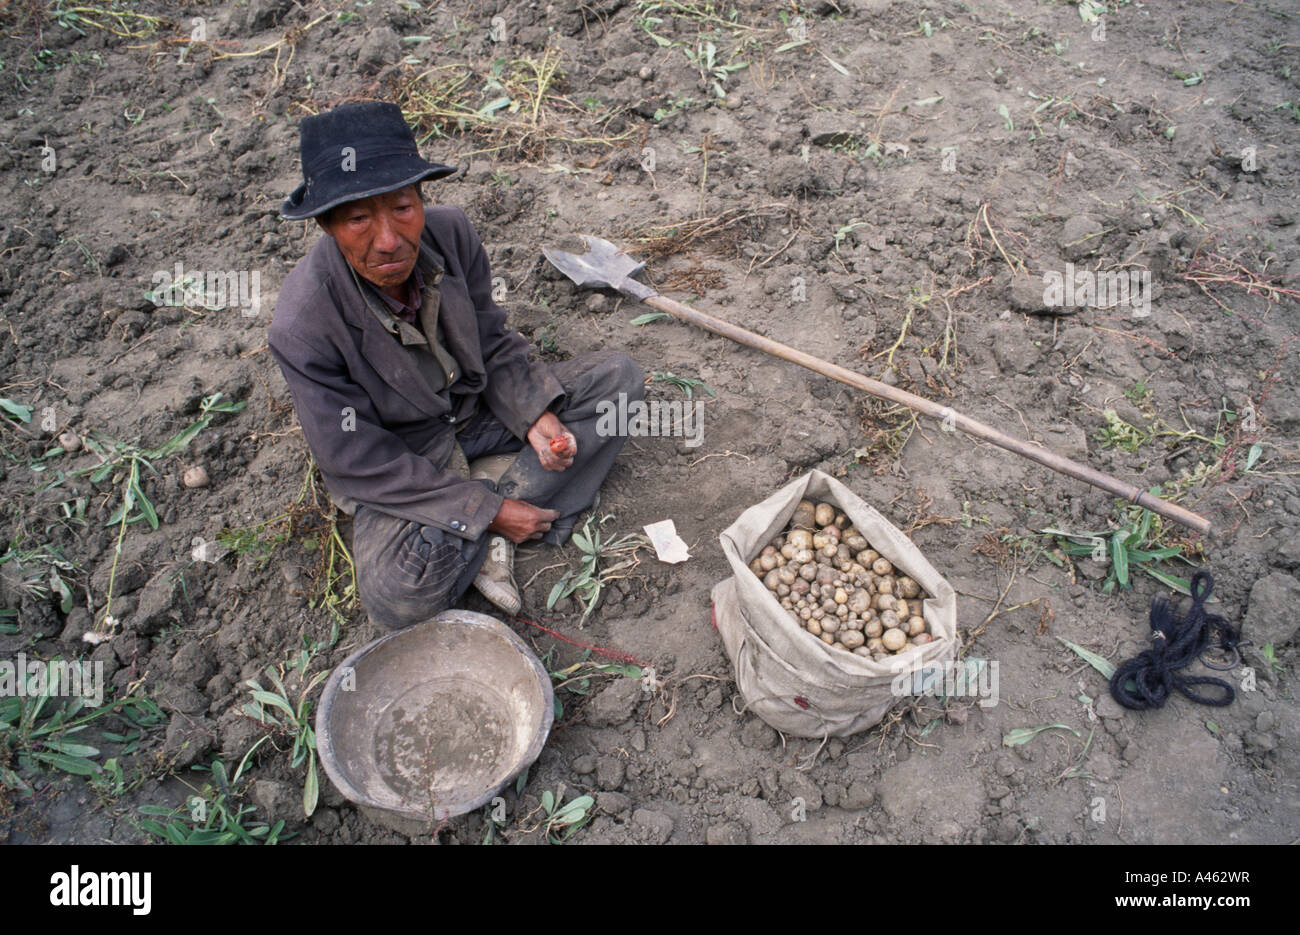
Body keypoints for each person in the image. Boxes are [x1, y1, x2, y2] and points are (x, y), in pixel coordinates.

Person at [268, 101, 642, 629]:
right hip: (408, 456)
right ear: (327, 226)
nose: (389, 239)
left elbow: (492, 340)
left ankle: (489, 508)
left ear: (421, 199)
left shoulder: (452, 234)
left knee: (618, 382)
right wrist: (485, 511)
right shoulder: (303, 324)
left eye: (402, 208)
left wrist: (534, 412)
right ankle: (501, 507)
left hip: (473, 409)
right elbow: (355, 459)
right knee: (397, 596)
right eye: (357, 219)